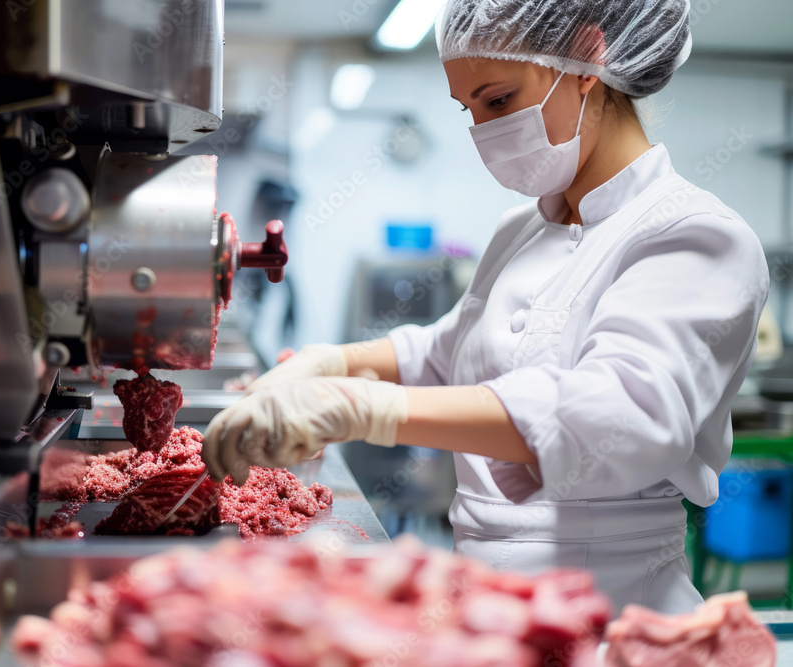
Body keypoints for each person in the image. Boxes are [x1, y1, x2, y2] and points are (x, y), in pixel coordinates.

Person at [201, 0, 770, 614]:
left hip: (611, 614)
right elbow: (448, 350)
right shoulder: (520, 229)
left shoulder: (695, 234)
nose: (484, 132)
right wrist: (325, 362)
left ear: (586, 56)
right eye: (468, 111)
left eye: (497, 101)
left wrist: (362, 408)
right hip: (487, 608)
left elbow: (623, 415)